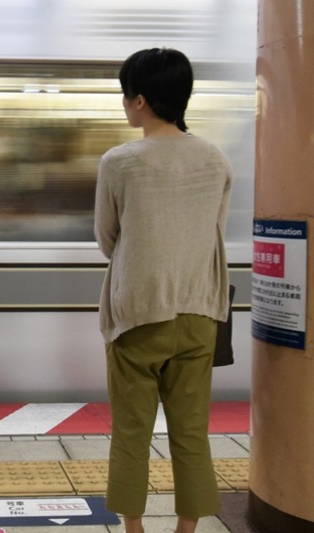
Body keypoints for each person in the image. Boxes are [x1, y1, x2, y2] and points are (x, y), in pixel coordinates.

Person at [94, 48, 232, 533]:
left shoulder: (120, 162)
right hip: (199, 312)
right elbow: (213, 231)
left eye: (125, 94)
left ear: (141, 100)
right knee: (191, 431)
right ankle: (186, 529)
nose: (124, 103)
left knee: (132, 431)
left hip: (138, 313)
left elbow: (107, 239)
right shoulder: (215, 159)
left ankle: (134, 528)